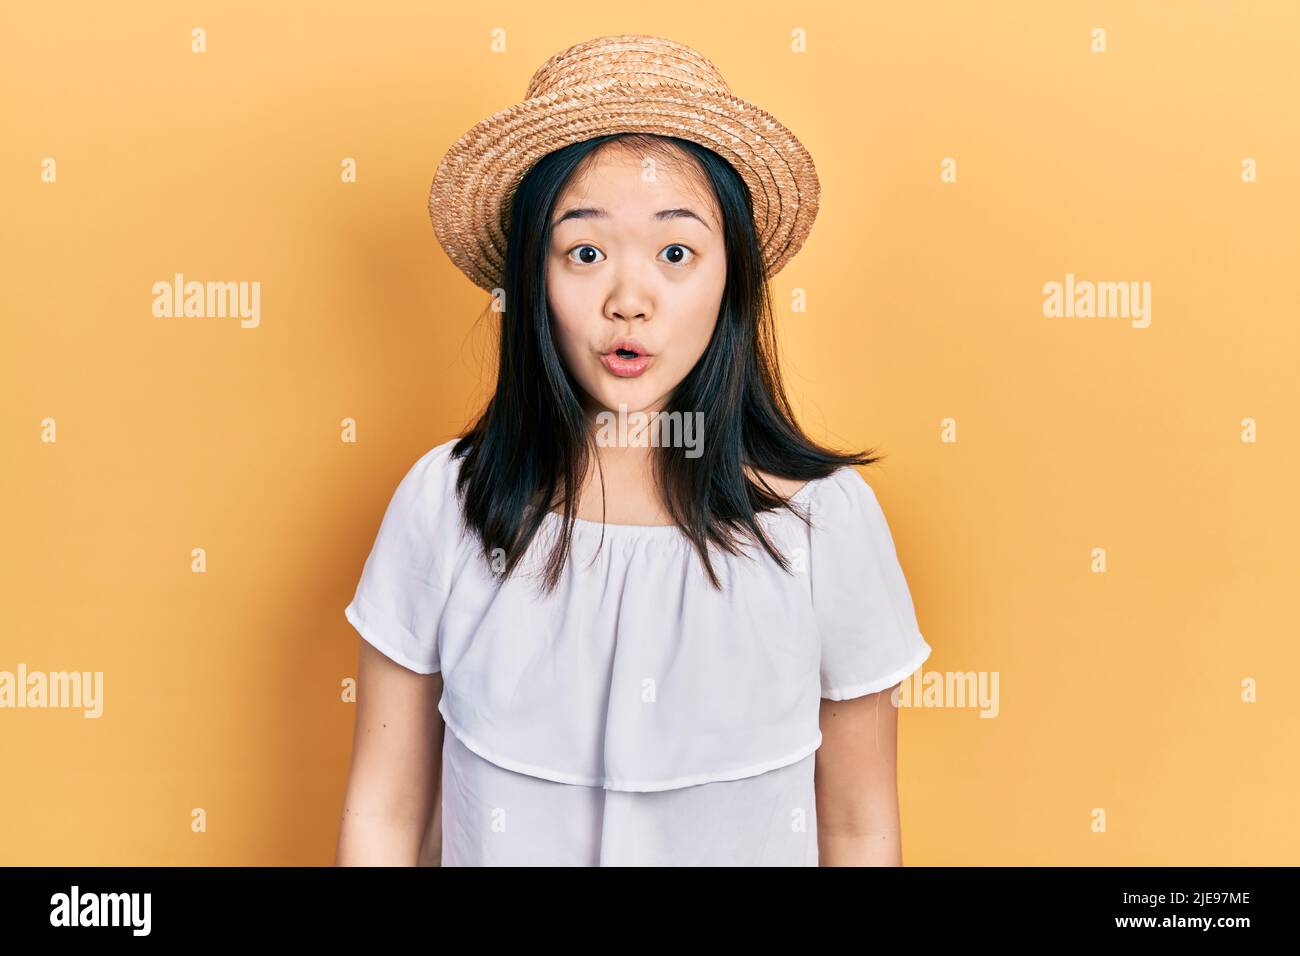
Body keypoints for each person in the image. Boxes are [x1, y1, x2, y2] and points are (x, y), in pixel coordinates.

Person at [335, 34, 932, 867]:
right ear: (533, 277)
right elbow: (386, 814)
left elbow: (860, 830)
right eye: (584, 252)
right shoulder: (448, 501)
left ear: (733, 279)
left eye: (676, 253)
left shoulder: (824, 522)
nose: (628, 300)